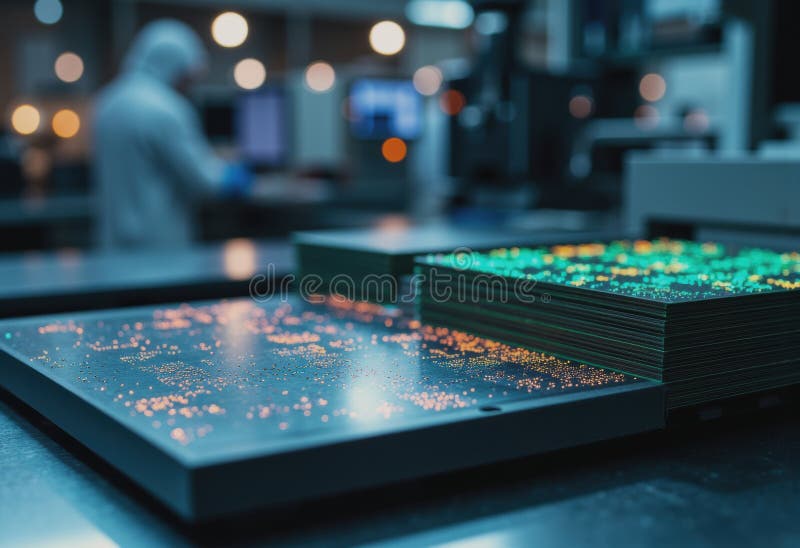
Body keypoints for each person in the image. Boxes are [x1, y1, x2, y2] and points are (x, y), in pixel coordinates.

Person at [93, 19, 252, 249]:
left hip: (113, 245)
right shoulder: (167, 108)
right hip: (159, 246)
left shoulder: (107, 101)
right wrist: (242, 175)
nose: (187, 87)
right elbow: (207, 181)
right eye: (186, 79)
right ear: (175, 67)